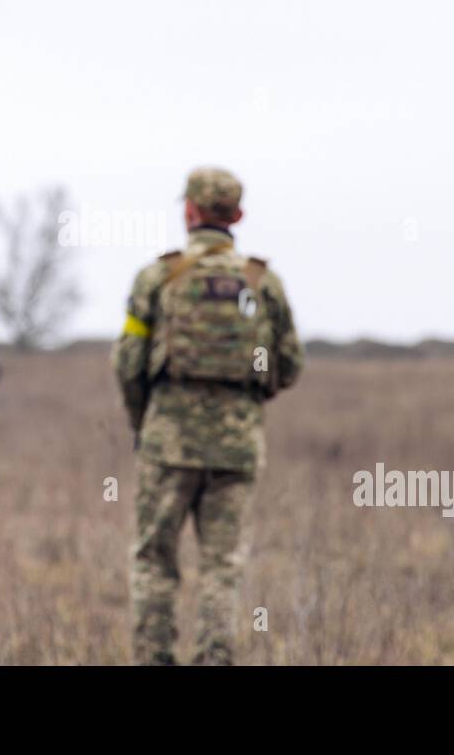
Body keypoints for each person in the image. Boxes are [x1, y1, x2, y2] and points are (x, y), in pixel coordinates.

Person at [114, 167, 303, 664]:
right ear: (237, 216)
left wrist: (143, 423)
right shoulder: (263, 282)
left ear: (190, 211)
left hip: (167, 442)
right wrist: (245, 400)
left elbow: (128, 362)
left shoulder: (158, 277)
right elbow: (290, 365)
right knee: (223, 566)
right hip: (238, 449)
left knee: (155, 561)